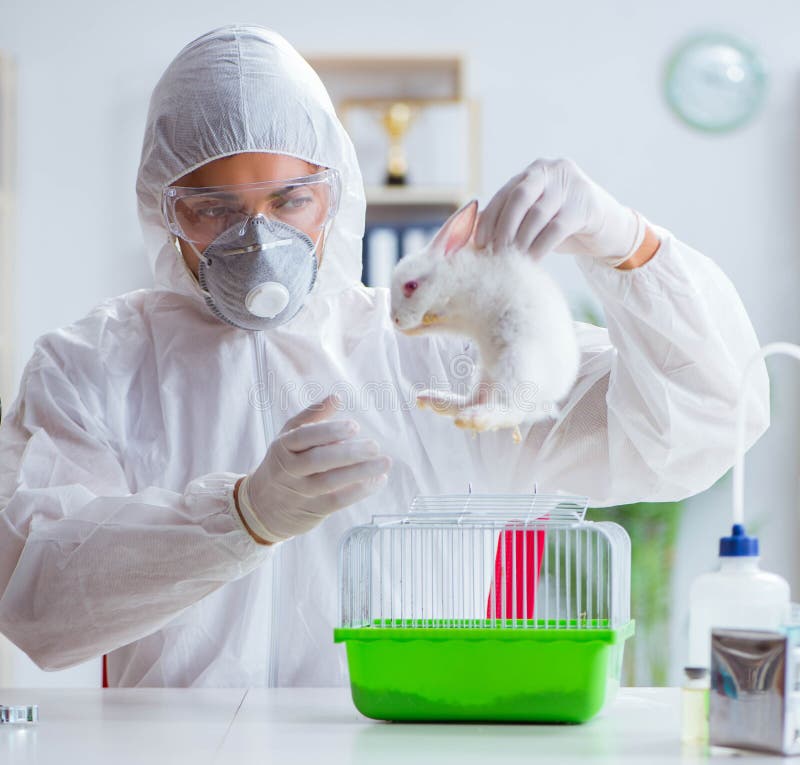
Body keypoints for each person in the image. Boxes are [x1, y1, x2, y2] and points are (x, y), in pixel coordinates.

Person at [0, 25, 768, 687]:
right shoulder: (92, 367)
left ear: (335, 194)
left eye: (289, 199)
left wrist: (629, 246)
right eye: (215, 208)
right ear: (162, 210)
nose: (258, 238)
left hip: (410, 739)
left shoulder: (439, 351)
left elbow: (702, 427)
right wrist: (240, 516)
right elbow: (37, 603)